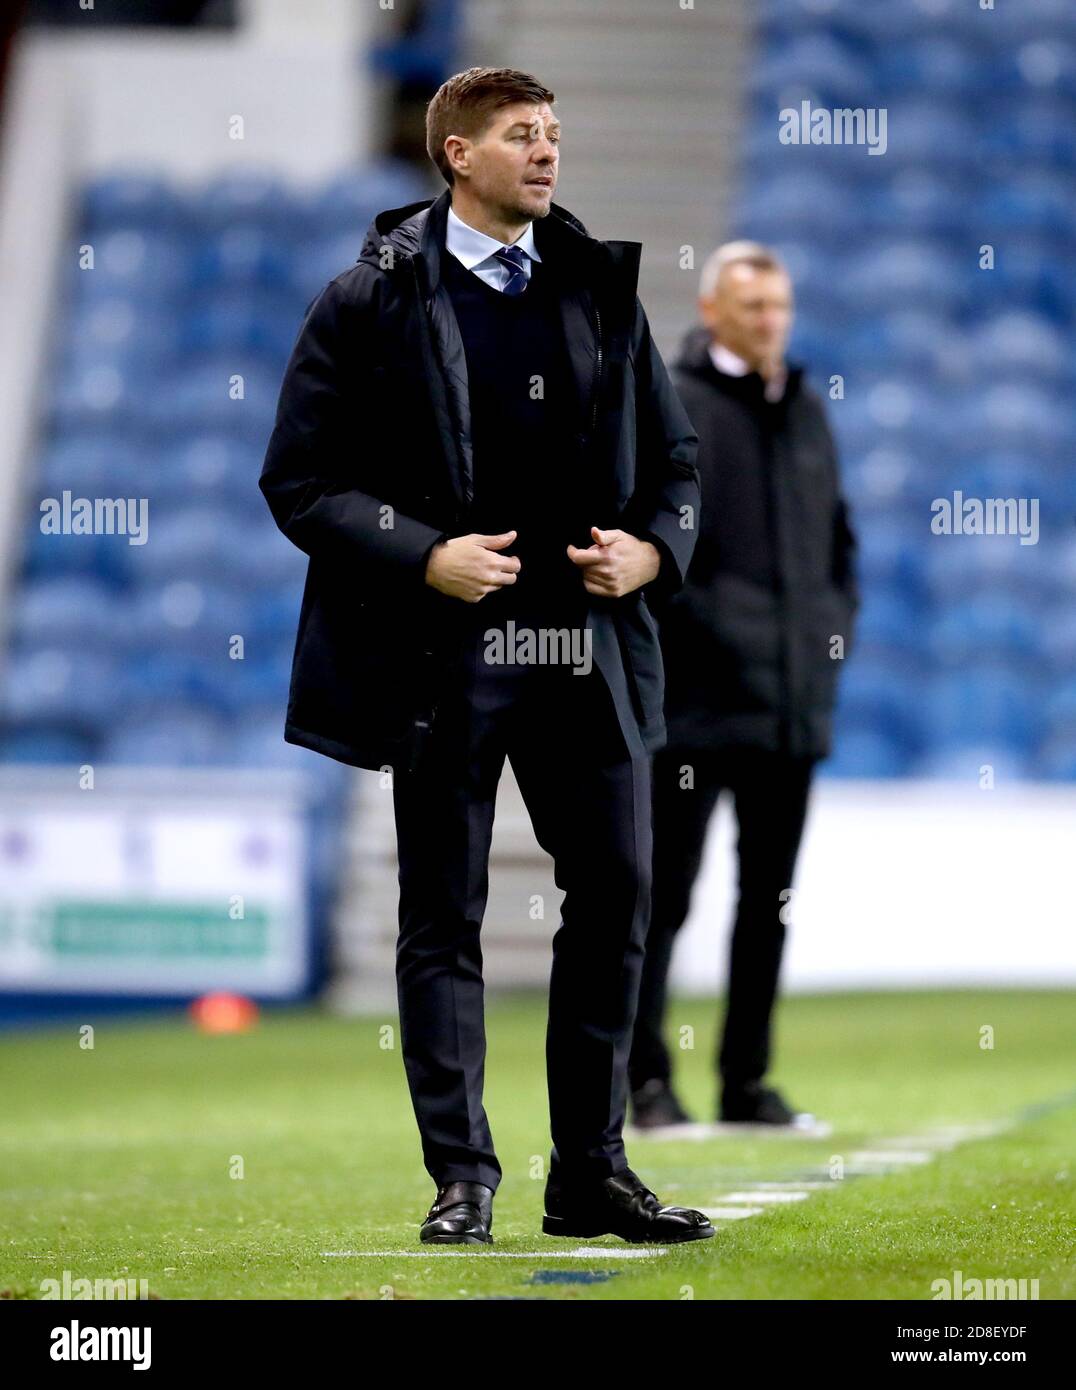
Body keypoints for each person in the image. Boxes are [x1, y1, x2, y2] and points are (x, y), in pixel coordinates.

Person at [260, 67, 711, 1245]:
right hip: (438, 653)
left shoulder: (600, 289)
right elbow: (300, 485)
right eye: (522, 136)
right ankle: (463, 1177)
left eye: (555, 133)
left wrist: (651, 557)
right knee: (440, 916)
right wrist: (423, 555)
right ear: (456, 155)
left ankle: (590, 1173)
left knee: (616, 894)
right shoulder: (366, 299)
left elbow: (676, 469)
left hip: (584, 648)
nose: (548, 153)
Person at [628, 242, 859, 1130]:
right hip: (695, 708)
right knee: (665, 900)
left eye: (781, 307)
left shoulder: (805, 409)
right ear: (712, 308)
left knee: (769, 904)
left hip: (792, 708)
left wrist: (828, 640)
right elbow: (662, 551)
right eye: (754, 306)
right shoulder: (678, 405)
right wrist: (732, 639)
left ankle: (746, 1082)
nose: (771, 323)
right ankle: (645, 1082)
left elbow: (839, 548)